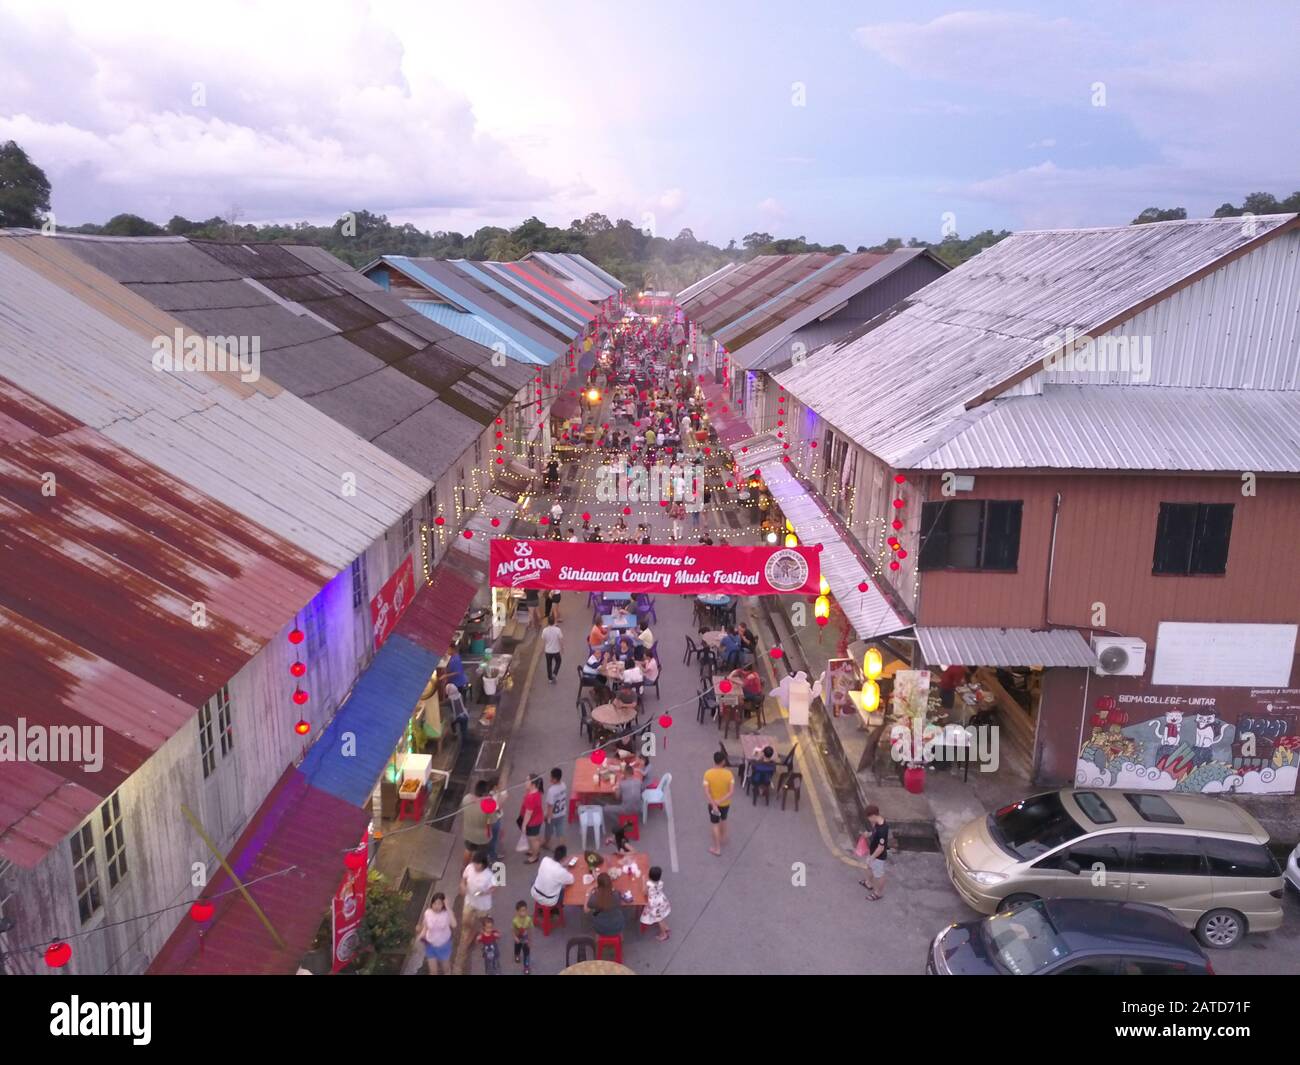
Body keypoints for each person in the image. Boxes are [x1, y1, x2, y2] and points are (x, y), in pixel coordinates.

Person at [601, 761, 643, 846]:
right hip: (639, 808)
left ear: (625, 774)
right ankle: (625, 820)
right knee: (622, 803)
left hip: (626, 809)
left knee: (605, 809)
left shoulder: (622, 784)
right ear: (633, 773)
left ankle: (621, 823)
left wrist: (616, 788)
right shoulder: (638, 781)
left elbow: (617, 797)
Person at [703, 751, 735, 856]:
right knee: (724, 819)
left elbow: (707, 791)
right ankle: (723, 837)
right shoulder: (729, 774)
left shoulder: (708, 774)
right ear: (723, 761)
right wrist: (720, 801)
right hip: (725, 804)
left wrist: (714, 803)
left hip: (713, 805)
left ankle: (717, 848)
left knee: (715, 824)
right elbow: (731, 792)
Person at [460, 850, 496, 945]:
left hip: (482, 904)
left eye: (477, 864)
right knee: (465, 920)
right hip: (469, 900)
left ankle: (486, 933)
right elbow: (463, 879)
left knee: (483, 920)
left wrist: (484, 893)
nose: (475, 866)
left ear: (483, 864)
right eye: (474, 863)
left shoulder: (489, 875)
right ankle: (471, 932)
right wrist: (463, 886)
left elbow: (494, 888)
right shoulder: (469, 868)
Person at [531, 843, 576, 917]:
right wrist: (566, 866)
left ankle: (542, 908)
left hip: (535, 893)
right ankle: (554, 910)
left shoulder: (545, 859)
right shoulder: (561, 871)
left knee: (536, 879)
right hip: (549, 901)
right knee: (568, 891)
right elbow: (572, 880)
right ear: (564, 858)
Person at [417, 892, 456, 975]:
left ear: (443, 904)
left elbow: (454, 924)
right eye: (434, 904)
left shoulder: (446, 914)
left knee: (446, 969)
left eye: (439, 904)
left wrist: (448, 908)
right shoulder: (428, 913)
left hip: (443, 945)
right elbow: (425, 926)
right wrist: (421, 935)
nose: (436, 906)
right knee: (433, 971)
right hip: (430, 945)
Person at [859, 804, 890, 900]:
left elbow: (880, 848)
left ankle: (878, 893)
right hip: (873, 852)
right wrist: (868, 834)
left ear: (873, 816)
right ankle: (868, 883)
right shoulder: (878, 822)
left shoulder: (882, 830)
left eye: (869, 818)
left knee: (879, 875)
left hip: (878, 856)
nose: (869, 820)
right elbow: (874, 832)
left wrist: (872, 858)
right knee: (869, 867)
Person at [461, 781, 492, 866]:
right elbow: (492, 820)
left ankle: (464, 867)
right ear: (485, 793)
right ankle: (474, 872)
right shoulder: (488, 805)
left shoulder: (466, 798)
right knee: (479, 854)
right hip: (482, 837)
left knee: (468, 850)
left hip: (469, 832)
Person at [586, 873, 626, 937]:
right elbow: (619, 899)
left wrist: (588, 894)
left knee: (595, 912)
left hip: (600, 928)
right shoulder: (616, 895)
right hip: (617, 926)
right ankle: (620, 936)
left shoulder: (595, 898)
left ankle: (598, 937)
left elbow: (586, 910)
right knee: (615, 911)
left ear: (598, 885)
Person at [640, 867, 671, 942]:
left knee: (659, 919)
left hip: (655, 904)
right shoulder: (660, 882)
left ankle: (664, 934)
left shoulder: (649, 884)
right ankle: (666, 928)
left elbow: (644, 892)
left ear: (649, 875)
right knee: (661, 915)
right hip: (661, 900)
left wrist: (643, 881)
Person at [519, 775, 545, 863]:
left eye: (527, 781)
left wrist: (524, 825)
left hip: (532, 822)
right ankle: (534, 850)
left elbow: (528, 813)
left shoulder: (531, 797)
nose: (525, 782)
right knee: (535, 837)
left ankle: (535, 856)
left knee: (533, 839)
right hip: (537, 819)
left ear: (533, 784)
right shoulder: (535, 792)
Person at [543, 767, 568, 847]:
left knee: (548, 831)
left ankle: (546, 843)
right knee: (560, 831)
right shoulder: (563, 785)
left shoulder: (551, 791)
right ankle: (562, 847)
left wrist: (547, 817)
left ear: (555, 779)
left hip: (553, 815)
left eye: (551, 777)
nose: (550, 778)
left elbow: (550, 806)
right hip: (562, 812)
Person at [512, 901, 533, 974]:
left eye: (525, 910)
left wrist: (530, 941)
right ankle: (517, 955)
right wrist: (514, 937)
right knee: (517, 948)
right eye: (521, 911)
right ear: (517, 912)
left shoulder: (529, 919)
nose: (523, 912)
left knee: (526, 953)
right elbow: (513, 930)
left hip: (526, 939)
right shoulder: (515, 920)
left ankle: (526, 966)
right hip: (518, 938)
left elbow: (530, 930)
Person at [541, 614, 563, 683]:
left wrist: (543, 649)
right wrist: (562, 648)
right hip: (556, 650)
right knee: (558, 661)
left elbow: (543, 640)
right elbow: (560, 640)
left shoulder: (545, 630)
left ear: (548, 622)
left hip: (548, 651)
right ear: (554, 622)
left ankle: (550, 679)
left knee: (549, 664)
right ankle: (555, 673)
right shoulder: (558, 630)